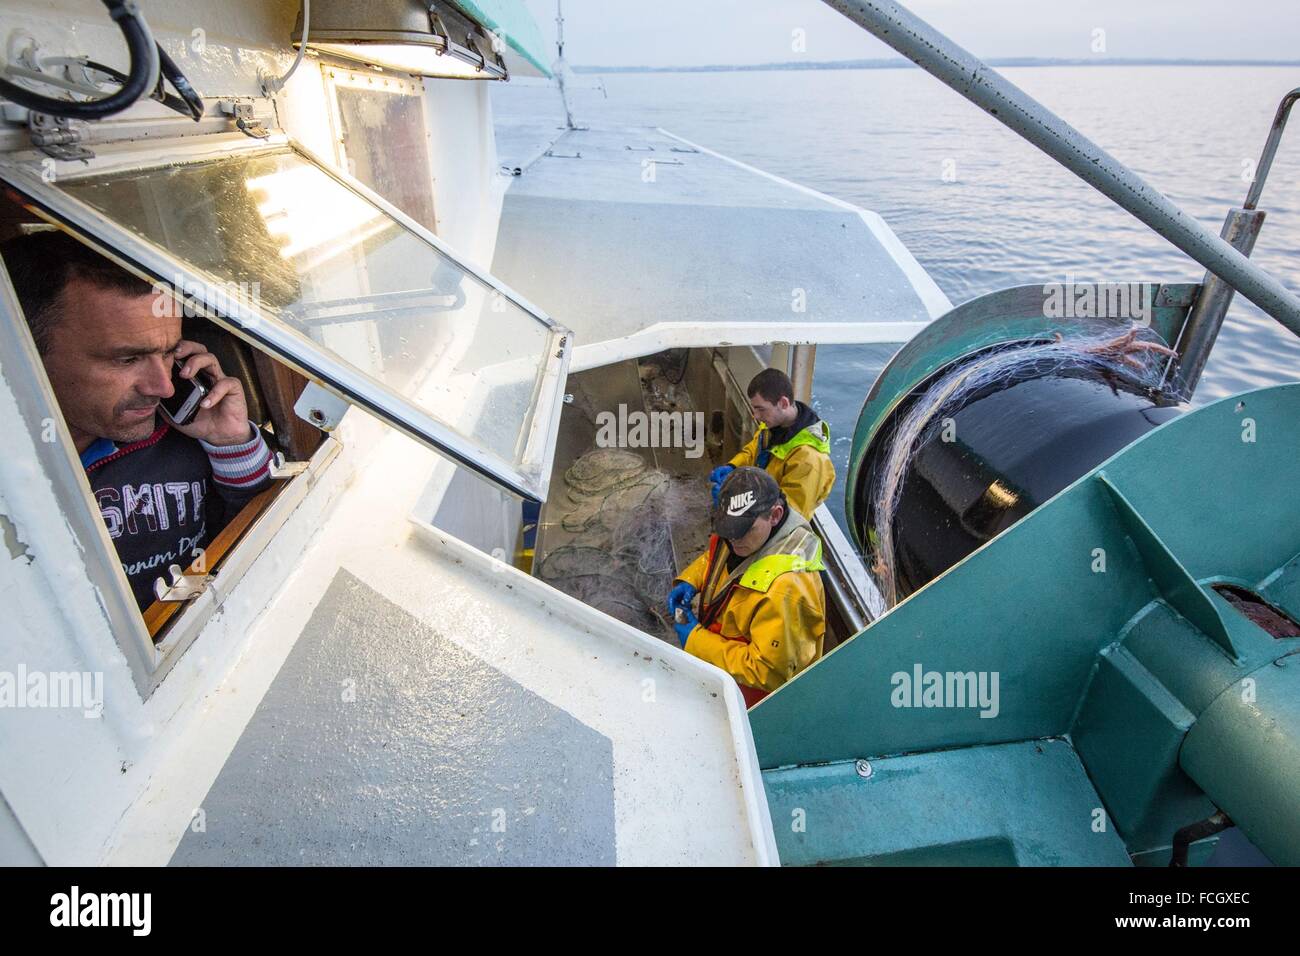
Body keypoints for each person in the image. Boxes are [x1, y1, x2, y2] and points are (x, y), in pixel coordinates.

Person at [2, 231, 273, 610]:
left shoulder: (185, 434)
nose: (163, 387)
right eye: (127, 360)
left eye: (167, 353)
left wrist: (230, 445)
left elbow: (262, 547)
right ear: (23, 350)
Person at [668, 467, 826, 707]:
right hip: (721, 672)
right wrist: (691, 580)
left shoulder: (786, 590)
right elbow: (716, 558)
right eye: (728, 531)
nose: (734, 540)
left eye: (744, 531)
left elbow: (767, 672)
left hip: (747, 700)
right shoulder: (742, 536)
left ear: (775, 515)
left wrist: (696, 642)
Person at [708, 367, 834, 520]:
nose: (755, 416)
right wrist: (733, 467)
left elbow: (787, 516)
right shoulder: (772, 426)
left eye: (760, 409)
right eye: (755, 409)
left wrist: (736, 504)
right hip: (756, 508)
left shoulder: (809, 461)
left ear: (783, 403)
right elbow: (754, 451)